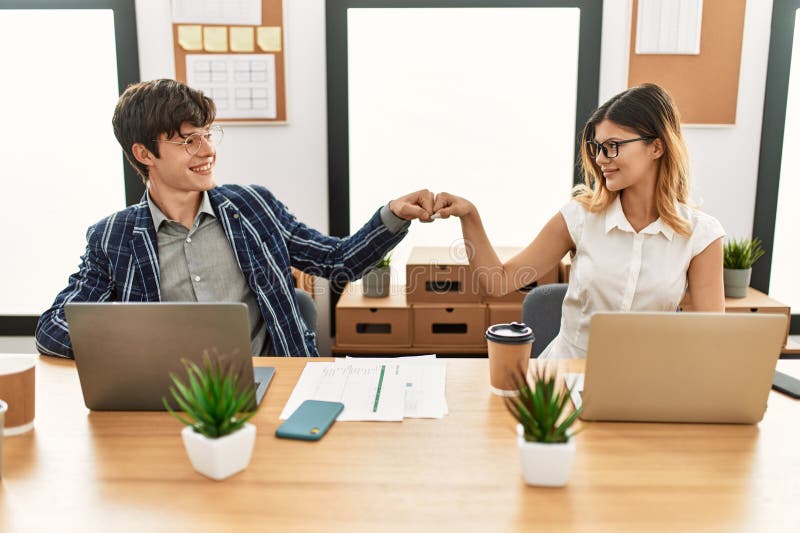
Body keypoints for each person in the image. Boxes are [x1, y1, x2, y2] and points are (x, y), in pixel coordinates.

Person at [36, 79, 434, 358]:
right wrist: (130, 349)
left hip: (274, 383)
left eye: (208, 134)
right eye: (188, 140)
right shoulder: (113, 237)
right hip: (167, 399)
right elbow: (53, 326)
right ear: (144, 154)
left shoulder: (252, 206)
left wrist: (393, 216)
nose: (207, 149)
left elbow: (337, 260)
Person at [432, 83, 725, 358]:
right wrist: (469, 215)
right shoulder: (580, 217)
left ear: (656, 147)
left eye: (612, 146)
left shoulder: (700, 235)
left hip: (643, 385)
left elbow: (712, 339)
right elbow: (498, 282)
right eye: (597, 148)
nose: (600, 159)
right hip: (566, 376)